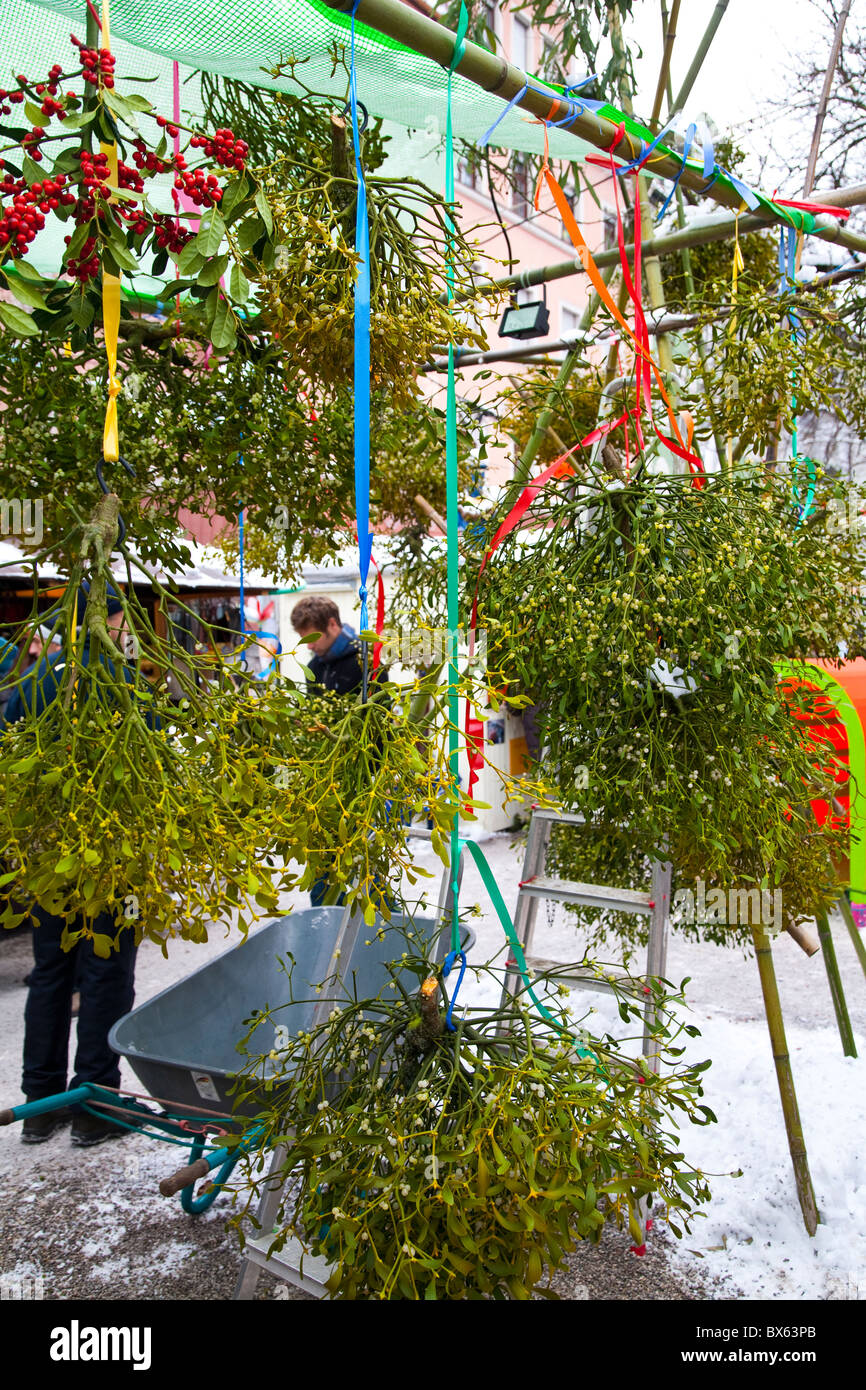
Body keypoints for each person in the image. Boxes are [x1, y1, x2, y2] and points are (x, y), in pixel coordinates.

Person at [4, 586, 151, 1147]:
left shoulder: (35, 680)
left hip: (50, 858)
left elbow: (11, 753)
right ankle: (96, 1106)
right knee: (106, 972)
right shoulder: (121, 681)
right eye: (122, 620)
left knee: (51, 973)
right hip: (112, 855)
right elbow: (151, 760)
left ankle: (40, 1107)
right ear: (106, 620)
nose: (124, 631)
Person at [291, 594, 364, 696]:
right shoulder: (314, 667)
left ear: (332, 624)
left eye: (313, 638)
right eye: (305, 640)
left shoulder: (365, 662)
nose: (309, 646)